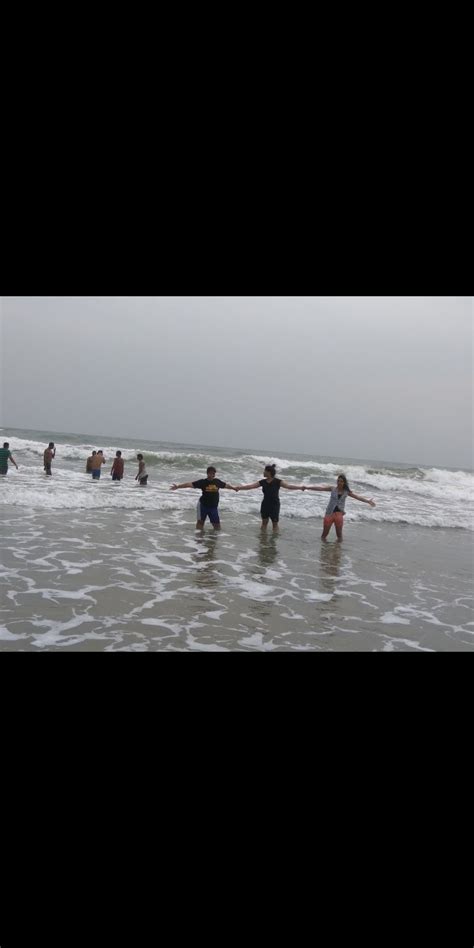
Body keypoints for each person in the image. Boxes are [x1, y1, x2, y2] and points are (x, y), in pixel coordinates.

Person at [303, 473, 376, 541]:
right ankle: (324, 550)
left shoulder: (346, 492)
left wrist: (368, 501)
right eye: (338, 481)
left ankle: (337, 551)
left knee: (339, 537)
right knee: (324, 535)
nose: (339, 482)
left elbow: (357, 497)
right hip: (329, 514)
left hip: (339, 516)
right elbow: (320, 488)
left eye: (341, 481)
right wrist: (307, 487)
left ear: (344, 482)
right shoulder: (332, 489)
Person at [234, 463, 306, 531]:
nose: (263, 472)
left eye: (264, 471)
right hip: (265, 504)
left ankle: (273, 541)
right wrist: (239, 488)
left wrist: (300, 487)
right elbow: (250, 486)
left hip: (274, 505)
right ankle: (263, 540)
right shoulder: (262, 482)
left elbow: (289, 486)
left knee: (275, 524)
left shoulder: (278, 481)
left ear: (269, 472)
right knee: (264, 523)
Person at [170, 465, 237, 530]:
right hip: (203, 505)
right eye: (211, 473)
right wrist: (178, 486)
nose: (213, 475)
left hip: (213, 507)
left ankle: (213, 538)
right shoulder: (203, 482)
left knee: (217, 526)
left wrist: (234, 488)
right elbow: (189, 484)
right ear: (207, 473)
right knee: (200, 522)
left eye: (214, 473)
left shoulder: (217, 482)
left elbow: (226, 485)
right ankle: (199, 538)